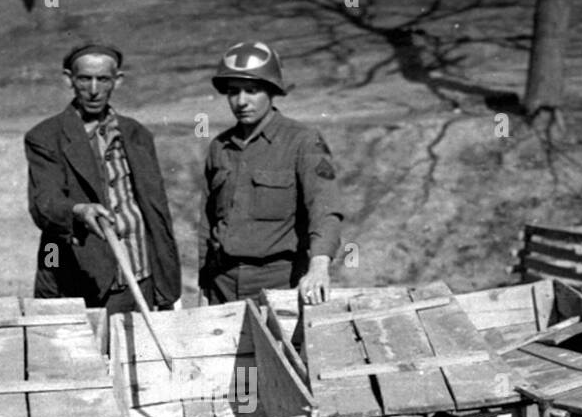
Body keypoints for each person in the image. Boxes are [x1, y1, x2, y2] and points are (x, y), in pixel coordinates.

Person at [25, 42, 181, 312]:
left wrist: (167, 286)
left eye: (103, 79)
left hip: (141, 276)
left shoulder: (137, 135)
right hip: (84, 281)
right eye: (85, 79)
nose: (94, 90)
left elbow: (158, 213)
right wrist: (78, 210)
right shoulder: (45, 137)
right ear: (69, 80)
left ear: (117, 81)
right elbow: (44, 204)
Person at [200, 40, 344, 306]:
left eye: (252, 90)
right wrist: (204, 283)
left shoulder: (304, 141)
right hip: (222, 283)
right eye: (233, 92)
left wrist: (319, 267)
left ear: (271, 91)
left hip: (280, 282)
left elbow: (325, 210)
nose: (241, 101)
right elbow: (208, 224)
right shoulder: (219, 147)